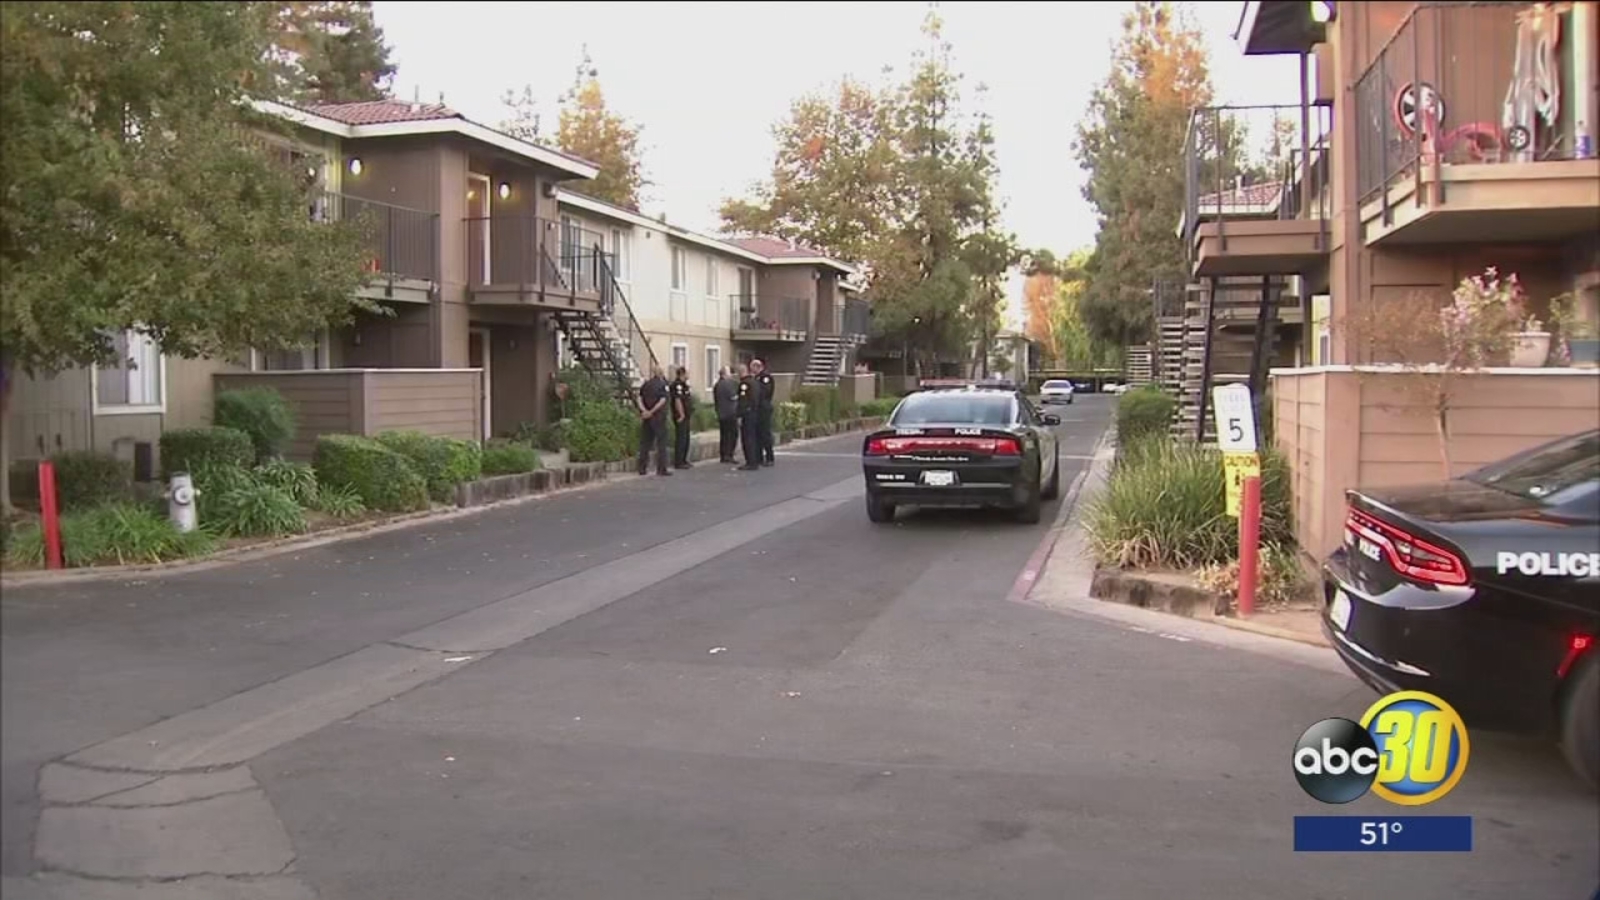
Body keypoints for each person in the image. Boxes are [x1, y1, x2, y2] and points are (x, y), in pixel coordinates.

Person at [636, 365, 671, 477]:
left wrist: (644, 410)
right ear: (661, 373)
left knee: (645, 443)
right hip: (658, 417)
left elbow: (639, 398)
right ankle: (662, 468)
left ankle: (642, 468)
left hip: (647, 417)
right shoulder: (663, 385)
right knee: (661, 443)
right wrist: (652, 411)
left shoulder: (646, 384)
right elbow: (662, 400)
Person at [752, 358, 776, 467]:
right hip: (757, 409)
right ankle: (758, 457)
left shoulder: (766, 377)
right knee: (757, 434)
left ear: (758, 367)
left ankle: (769, 457)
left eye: (753, 368)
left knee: (765, 433)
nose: (752, 370)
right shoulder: (756, 378)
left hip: (764, 408)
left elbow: (765, 392)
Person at [712, 366, 739, 463]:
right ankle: (729, 454)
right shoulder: (727, 384)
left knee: (723, 435)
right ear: (724, 374)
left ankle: (723, 455)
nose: (731, 375)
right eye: (729, 373)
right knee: (732, 434)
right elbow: (733, 396)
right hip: (730, 412)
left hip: (721, 412)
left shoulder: (717, 385)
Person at [670, 365, 695, 469]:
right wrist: (681, 414)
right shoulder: (677, 385)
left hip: (687, 416)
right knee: (681, 438)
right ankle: (679, 461)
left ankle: (684, 460)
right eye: (687, 373)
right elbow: (677, 400)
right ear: (682, 374)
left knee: (686, 438)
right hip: (681, 416)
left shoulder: (685, 385)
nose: (688, 375)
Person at [736, 363, 760, 471]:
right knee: (754, 437)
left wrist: (740, 415)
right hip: (755, 413)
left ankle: (750, 462)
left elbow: (743, 401)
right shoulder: (755, 382)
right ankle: (755, 460)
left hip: (747, 414)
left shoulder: (744, 384)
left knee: (747, 438)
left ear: (741, 372)